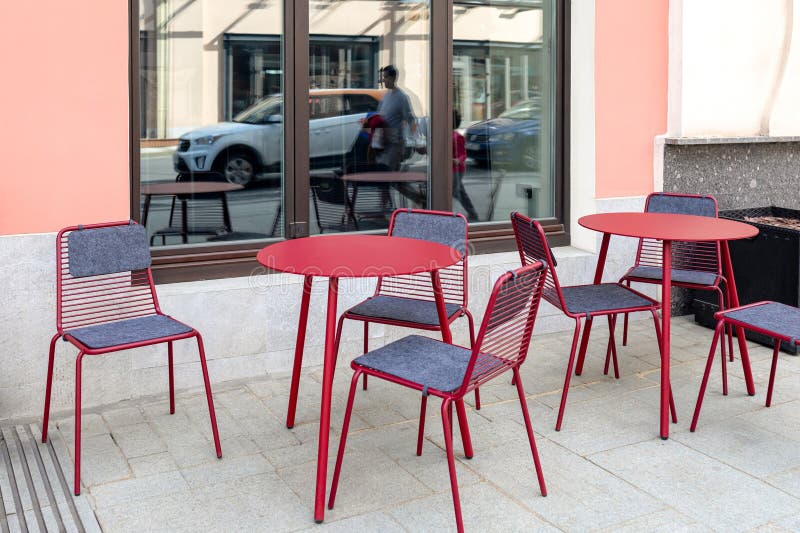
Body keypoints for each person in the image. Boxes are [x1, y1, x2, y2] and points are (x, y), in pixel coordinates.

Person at [375, 65, 415, 171]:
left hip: (395, 144)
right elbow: (381, 116)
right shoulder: (386, 96)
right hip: (384, 142)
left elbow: (410, 119)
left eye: (386, 77)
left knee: (389, 173)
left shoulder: (402, 97)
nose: (383, 80)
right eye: (383, 77)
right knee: (382, 172)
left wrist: (414, 140)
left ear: (393, 78)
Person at [452, 109, 479, 221]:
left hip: (457, 169)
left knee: (454, 191)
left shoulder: (457, 137)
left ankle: (449, 213)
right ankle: (472, 213)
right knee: (460, 192)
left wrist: (458, 160)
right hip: (452, 169)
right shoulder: (448, 136)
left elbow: (463, 154)